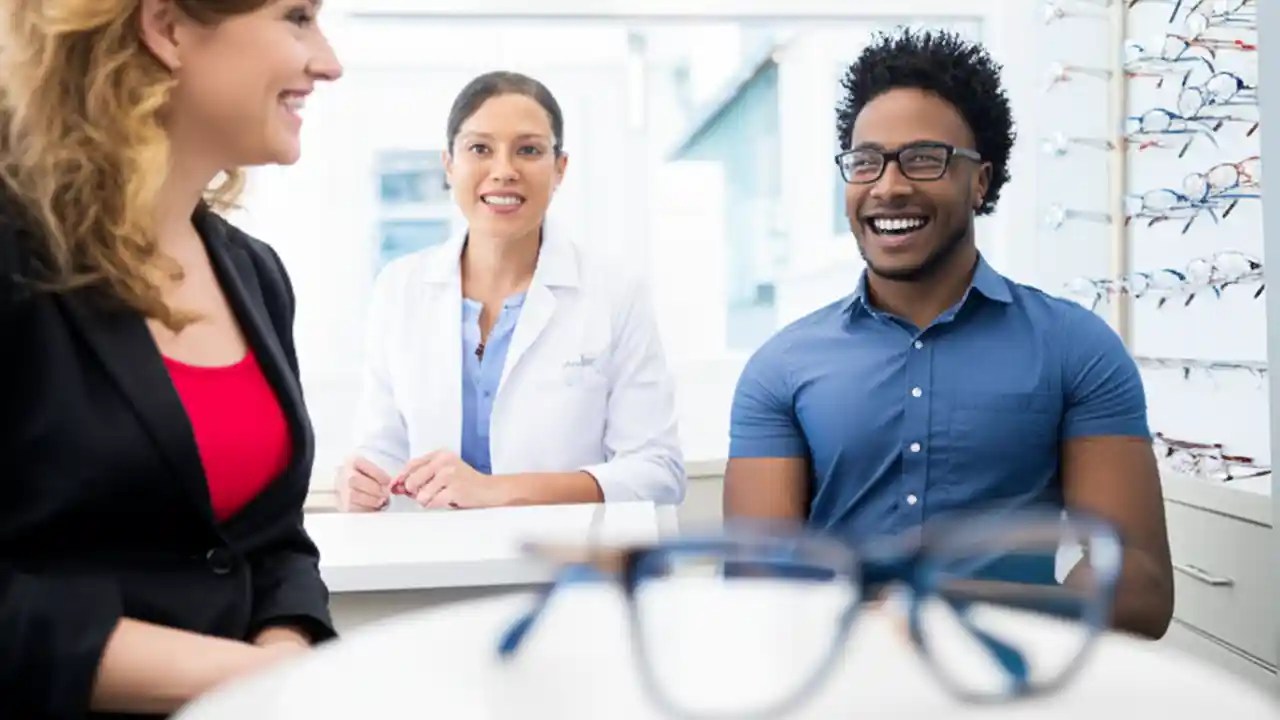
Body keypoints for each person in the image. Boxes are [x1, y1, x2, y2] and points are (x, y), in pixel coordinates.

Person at [723, 28, 1174, 639]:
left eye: (923, 158)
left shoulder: (1078, 349)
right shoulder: (782, 366)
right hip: (839, 682)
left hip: (1017, 680)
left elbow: (1140, 586)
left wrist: (940, 612)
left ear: (981, 180)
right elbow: (758, 581)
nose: (888, 186)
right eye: (866, 161)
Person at [0, 1, 343, 717]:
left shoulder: (254, 274)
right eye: (298, 17)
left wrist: (284, 654)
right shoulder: (16, 254)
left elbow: (274, 541)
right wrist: (230, 677)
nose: (329, 62)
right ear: (168, 28)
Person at [336, 71, 684, 513]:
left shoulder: (615, 294)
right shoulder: (399, 288)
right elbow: (382, 450)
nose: (504, 171)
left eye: (529, 150)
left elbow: (657, 472)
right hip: (428, 565)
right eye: (480, 149)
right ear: (449, 165)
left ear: (560, 169)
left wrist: (497, 490)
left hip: (566, 565)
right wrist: (361, 480)